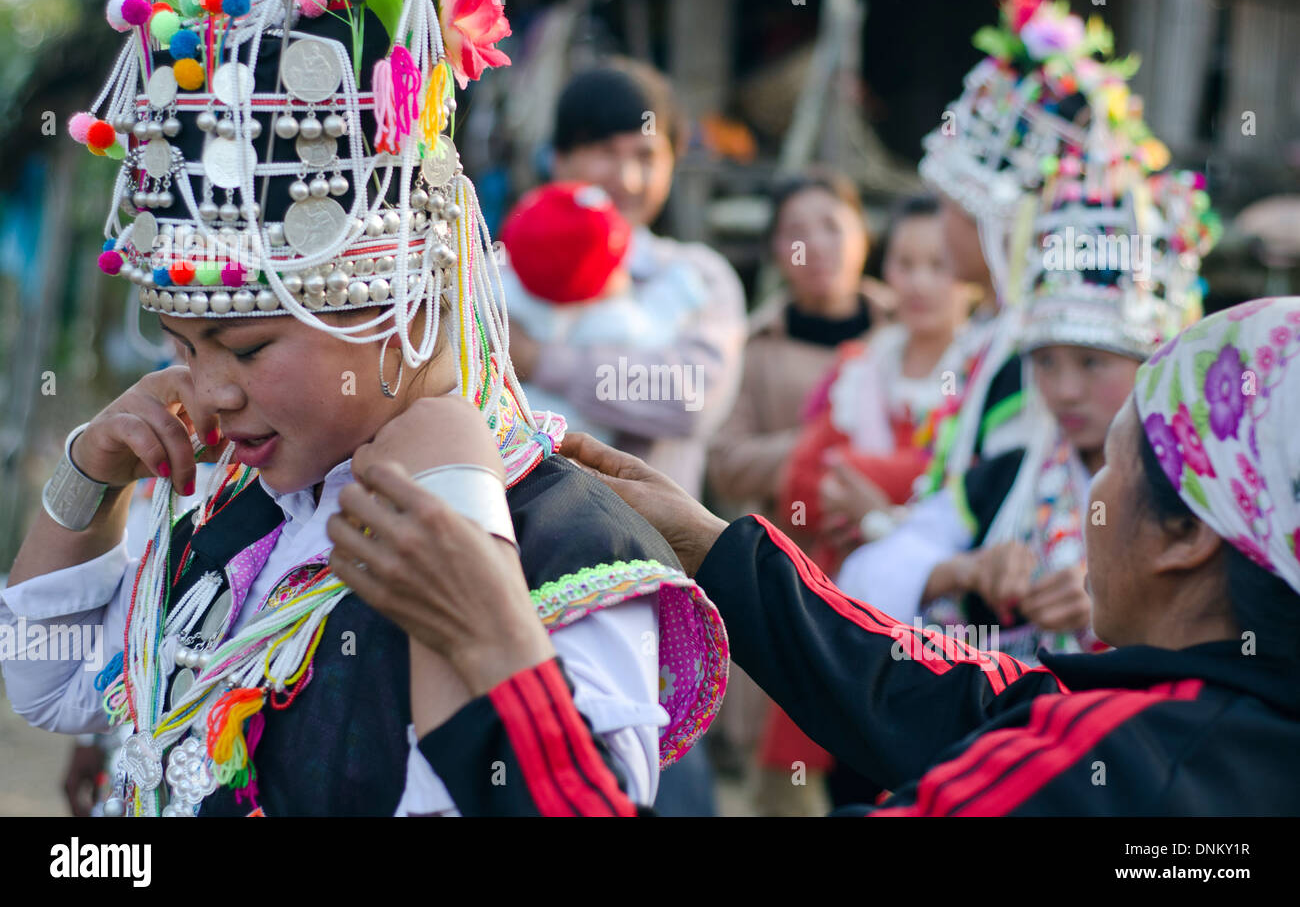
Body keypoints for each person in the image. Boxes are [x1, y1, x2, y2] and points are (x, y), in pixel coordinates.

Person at [0, 0, 726, 817]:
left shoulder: (561, 545)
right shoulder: (239, 504)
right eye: (182, 348)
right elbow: (45, 684)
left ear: (402, 295)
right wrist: (88, 477)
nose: (207, 391)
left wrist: (457, 515)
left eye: (246, 345)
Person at [336, 297, 1300, 816]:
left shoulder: (1142, 775)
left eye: (1119, 464)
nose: (1092, 492)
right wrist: (717, 552)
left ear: (1188, 536)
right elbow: (975, 703)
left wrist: (504, 648)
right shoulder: (1219, 730)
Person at [837, 170, 1219, 663]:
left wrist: (1115, 609)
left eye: (1091, 363)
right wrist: (963, 570)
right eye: (1044, 362)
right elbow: (863, 579)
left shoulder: (1198, 492)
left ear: (1153, 362)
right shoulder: (1008, 477)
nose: (1064, 390)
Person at [914, 0, 1174, 499]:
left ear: (998, 224)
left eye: (951, 208)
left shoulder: (1032, 354)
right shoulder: (993, 335)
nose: (1065, 385)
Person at [506, 60, 747, 501]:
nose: (627, 178)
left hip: (652, 546)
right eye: (606, 152)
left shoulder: (698, 276)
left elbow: (689, 397)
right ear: (559, 160)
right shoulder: (507, 269)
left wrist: (538, 359)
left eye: (646, 156)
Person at [778, 194, 970, 575]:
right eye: (905, 264)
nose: (919, 283)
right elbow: (797, 488)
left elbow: (954, 482)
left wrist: (847, 468)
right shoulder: (860, 367)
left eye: (938, 265)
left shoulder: (976, 375)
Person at [707, 169, 892, 524]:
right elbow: (725, 465)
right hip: (795, 555)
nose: (817, 246)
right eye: (796, 234)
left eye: (832, 227)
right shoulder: (754, 346)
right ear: (775, 251)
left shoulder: (904, 327)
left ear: (863, 236)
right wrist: (825, 440)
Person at [498, 181, 708, 441]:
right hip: (569, 447)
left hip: (506, 434)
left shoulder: (500, 296)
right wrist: (681, 286)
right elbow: (657, 325)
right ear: (603, 281)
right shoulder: (611, 322)